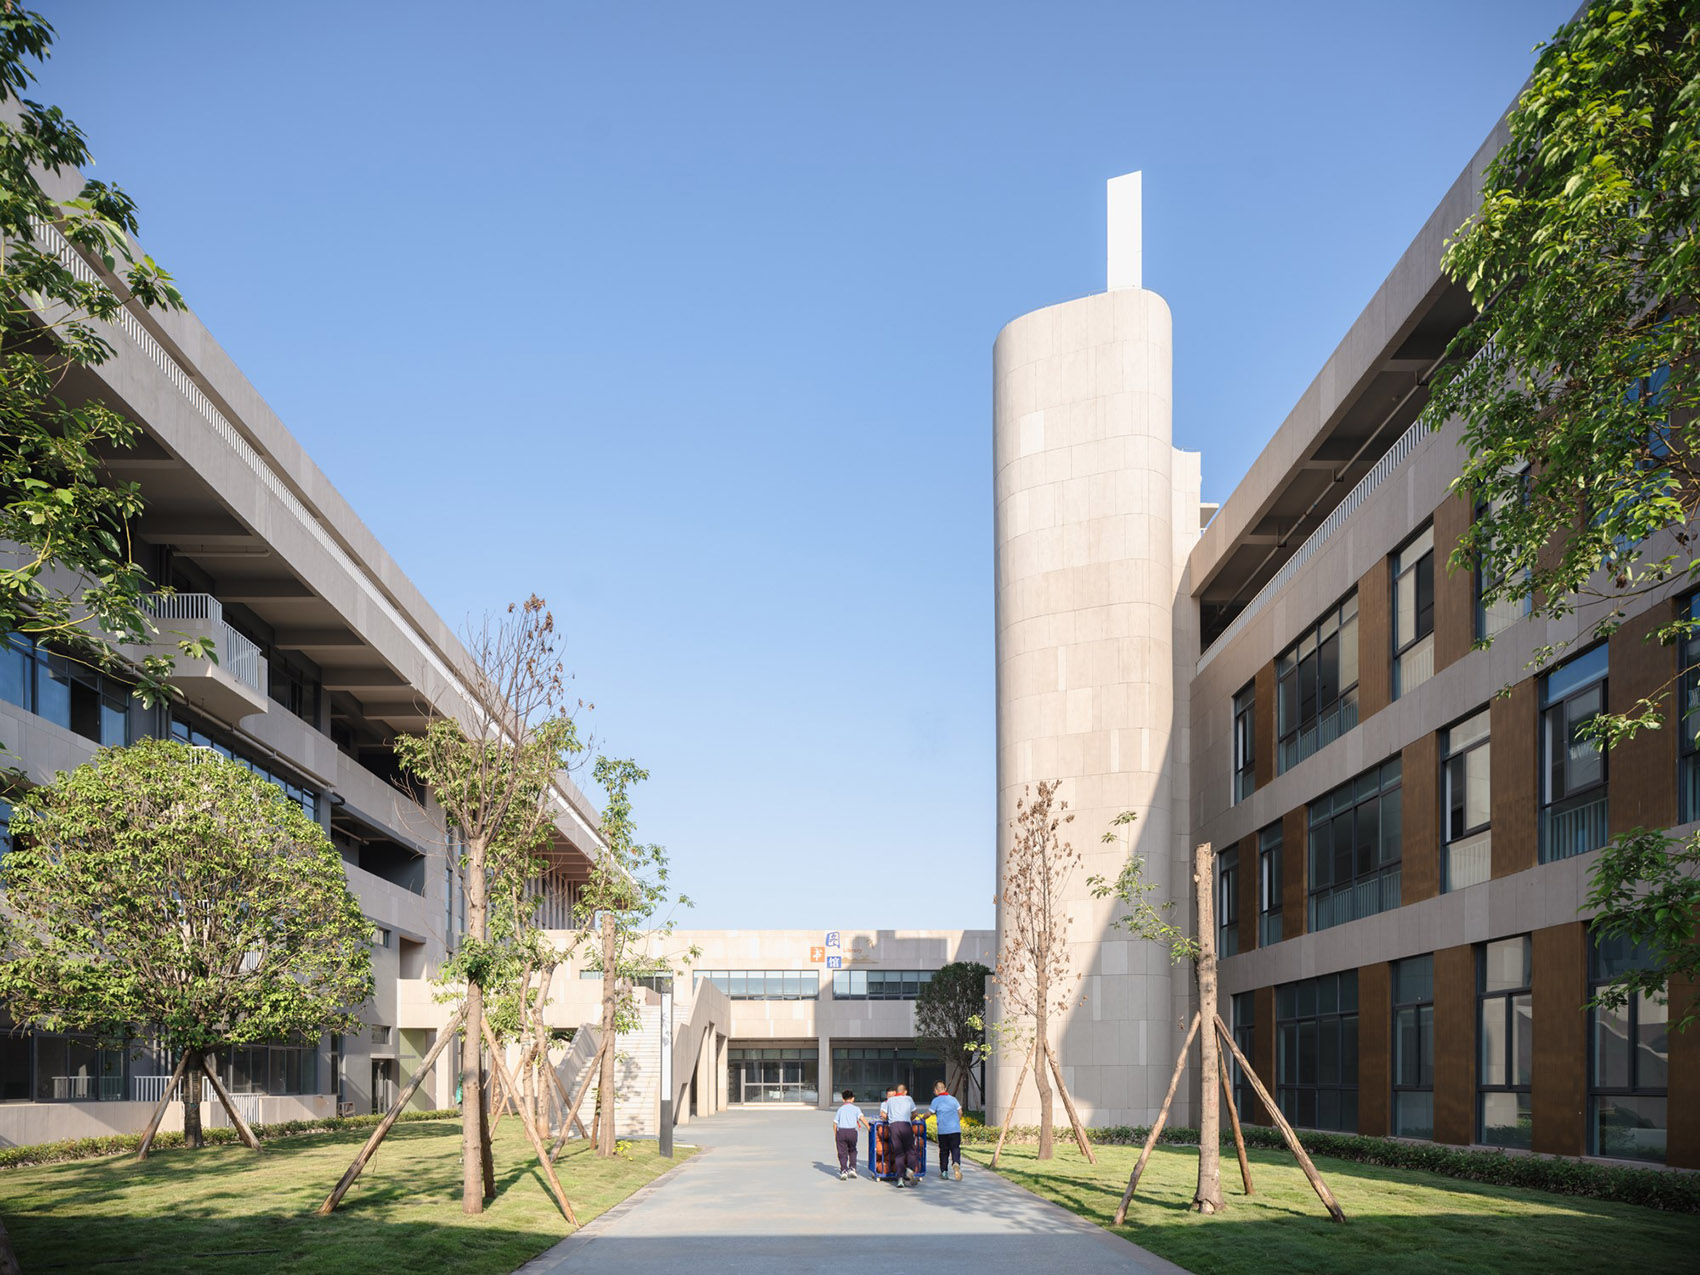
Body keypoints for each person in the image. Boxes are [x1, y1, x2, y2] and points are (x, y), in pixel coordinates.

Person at [929, 1080, 964, 1182]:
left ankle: (944, 1172)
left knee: (944, 1151)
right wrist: (957, 1121)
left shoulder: (936, 1101)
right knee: (955, 1148)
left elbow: (929, 1113)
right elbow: (960, 1112)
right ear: (945, 1089)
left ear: (936, 1090)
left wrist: (922, 1119)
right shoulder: (953, 1099)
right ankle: (956, 1163)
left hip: (943, 1131)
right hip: (955, 1129)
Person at [885, 1083, 917, 1186]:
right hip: (906, 1125)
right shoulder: (908, 1099)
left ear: (896, 1092)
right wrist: (910, 1119)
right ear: (905, 1091)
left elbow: (884, 1114)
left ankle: (900, 1179)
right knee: (911, 1150)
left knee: (898, 1153)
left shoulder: (890, 1100)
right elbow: (915, 1113)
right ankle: (910, 1169)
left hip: (894, 1126)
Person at [831, 1090, 862, 1180]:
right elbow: (861, 1118)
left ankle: (844, 1170)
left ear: (843, 1100)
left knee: (842, 1152)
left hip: (841, 1132)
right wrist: (868, 1127)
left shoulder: (840, 1109)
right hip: (852, 1132)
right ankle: (852, 1168)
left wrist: (836, 1135)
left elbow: (835, 1123)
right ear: (853, 1099)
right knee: (852, 1150)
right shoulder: (856, 1108)